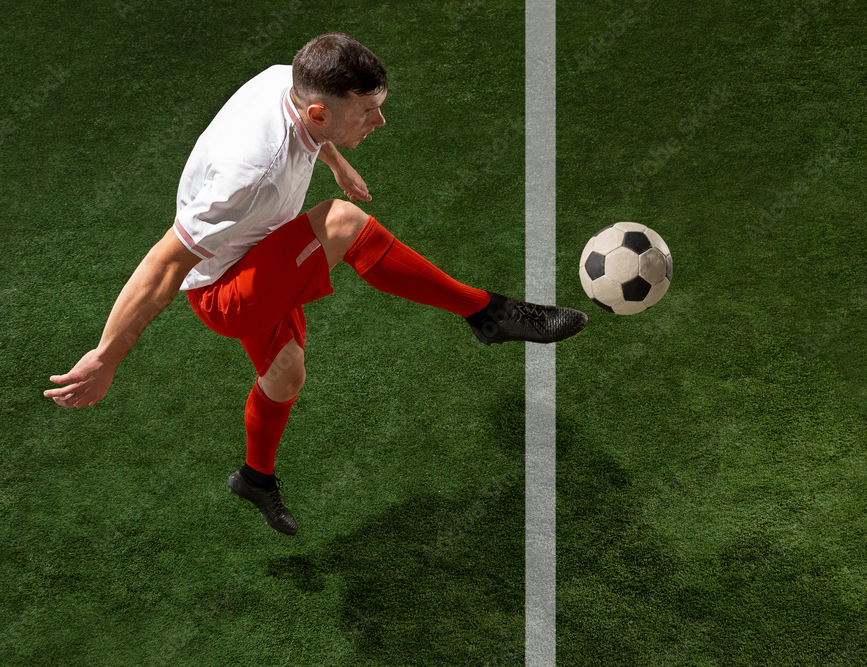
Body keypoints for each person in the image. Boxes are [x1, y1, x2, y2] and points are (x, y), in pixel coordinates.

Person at [44, 33, 587, 536]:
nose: (380, 122)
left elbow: (310, 124)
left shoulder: (290, 80)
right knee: (342, 225)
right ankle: (488, 314)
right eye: (370, 112)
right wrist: (107, 357)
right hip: (225, 294)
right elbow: (163, 266)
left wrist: (334, 160)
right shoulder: (249, 173)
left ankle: (254, 480)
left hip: (261, 250)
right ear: (321, 111)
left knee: (285, 377)